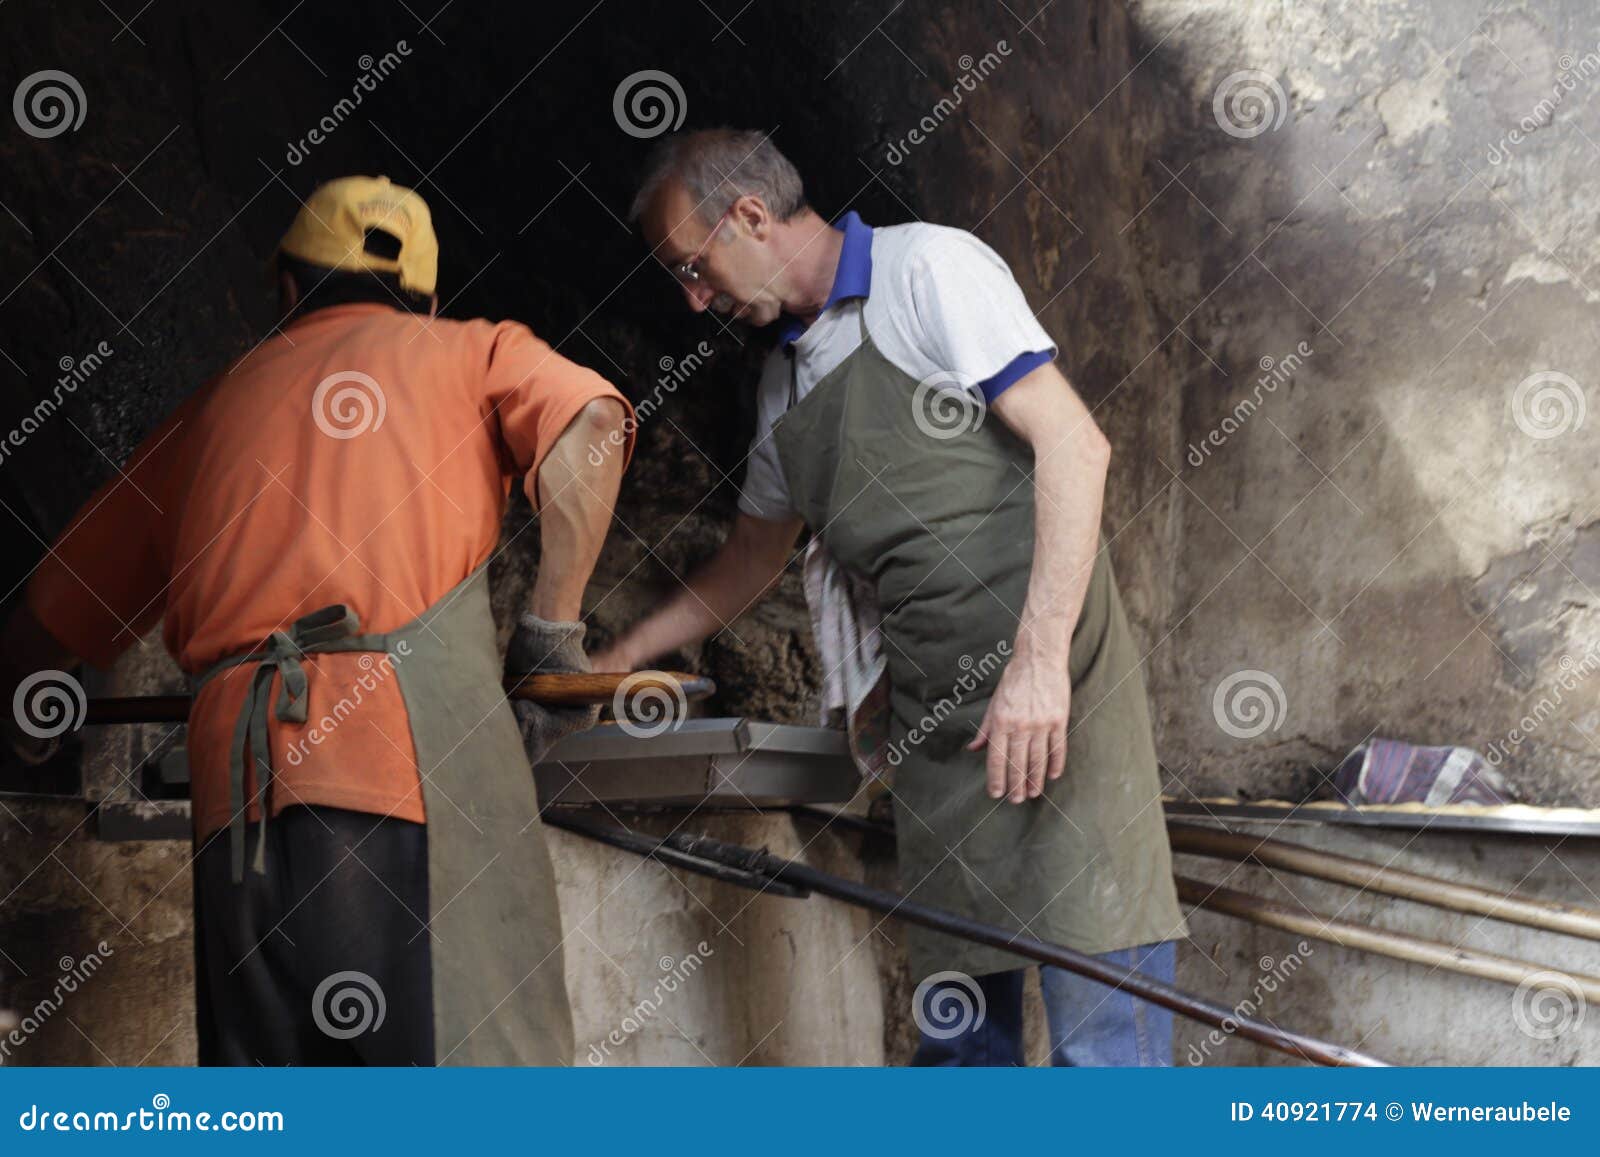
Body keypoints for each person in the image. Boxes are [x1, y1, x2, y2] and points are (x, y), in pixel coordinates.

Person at [0, 176, 633, 1066]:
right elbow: (593, 422)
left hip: (237, 807)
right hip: (395, 772)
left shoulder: (207, 411)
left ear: (288, 290)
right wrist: (550, 635)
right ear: (428, 300)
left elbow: (42, 626)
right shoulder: (470, 351)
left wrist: (29, 722)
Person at [597, 130, 1187, 1066]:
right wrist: (619, 658)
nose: (694, 298)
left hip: (1053, 693)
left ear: (750, 215)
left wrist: (1036, 669)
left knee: (1105, 1048)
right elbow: (751, 559)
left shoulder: (929, 271)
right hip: (938, 730)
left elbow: (1077, 447)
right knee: (959, 1055)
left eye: (695, 267)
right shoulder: (783, 388)